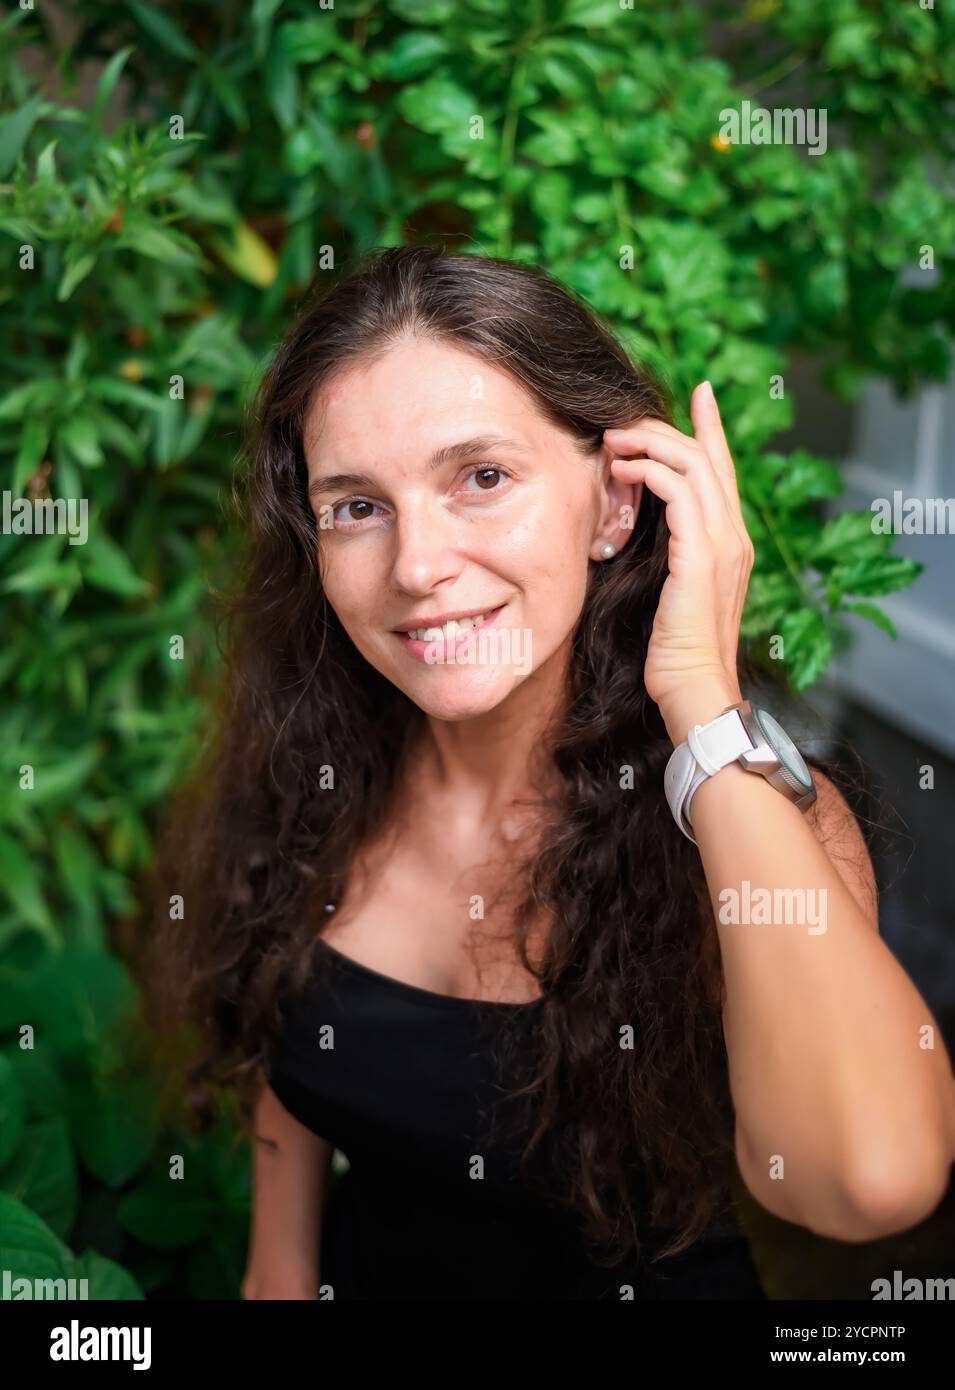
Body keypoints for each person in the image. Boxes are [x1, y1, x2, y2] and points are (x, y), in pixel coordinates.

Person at [146, 245, 955, 1301]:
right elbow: (293, 1078)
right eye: (356, 505)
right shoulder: (314, 772)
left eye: (481, 477)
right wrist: (280, 1274)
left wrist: (701, 706)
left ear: (615, 509)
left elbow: (868, 1182)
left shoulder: (757, 818)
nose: (417, 567)